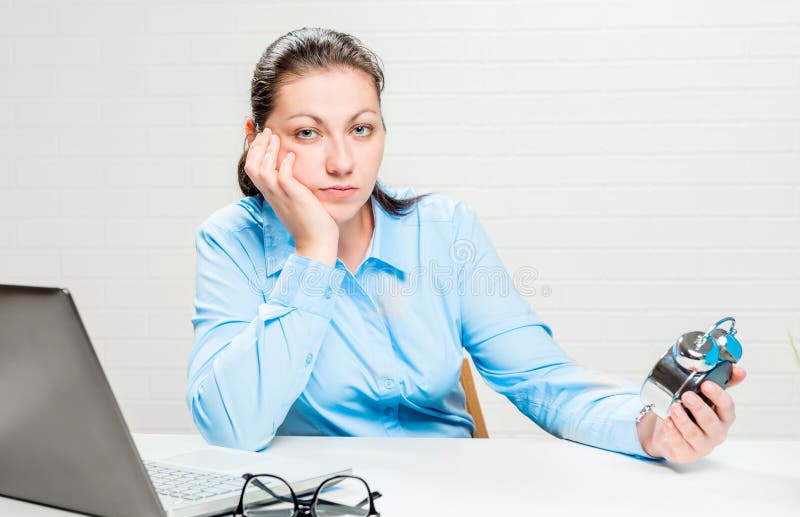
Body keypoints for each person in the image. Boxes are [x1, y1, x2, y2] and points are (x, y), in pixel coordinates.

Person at [186, 27, 746, 463]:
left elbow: (542, 380)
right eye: (308, 132)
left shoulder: (444, 230)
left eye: (361, 129)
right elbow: (231, 429)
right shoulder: (231, 241)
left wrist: (651, 431)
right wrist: (313, 249)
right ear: (258, 141)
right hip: (317, 507)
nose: (341, 162)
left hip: (450, 498)